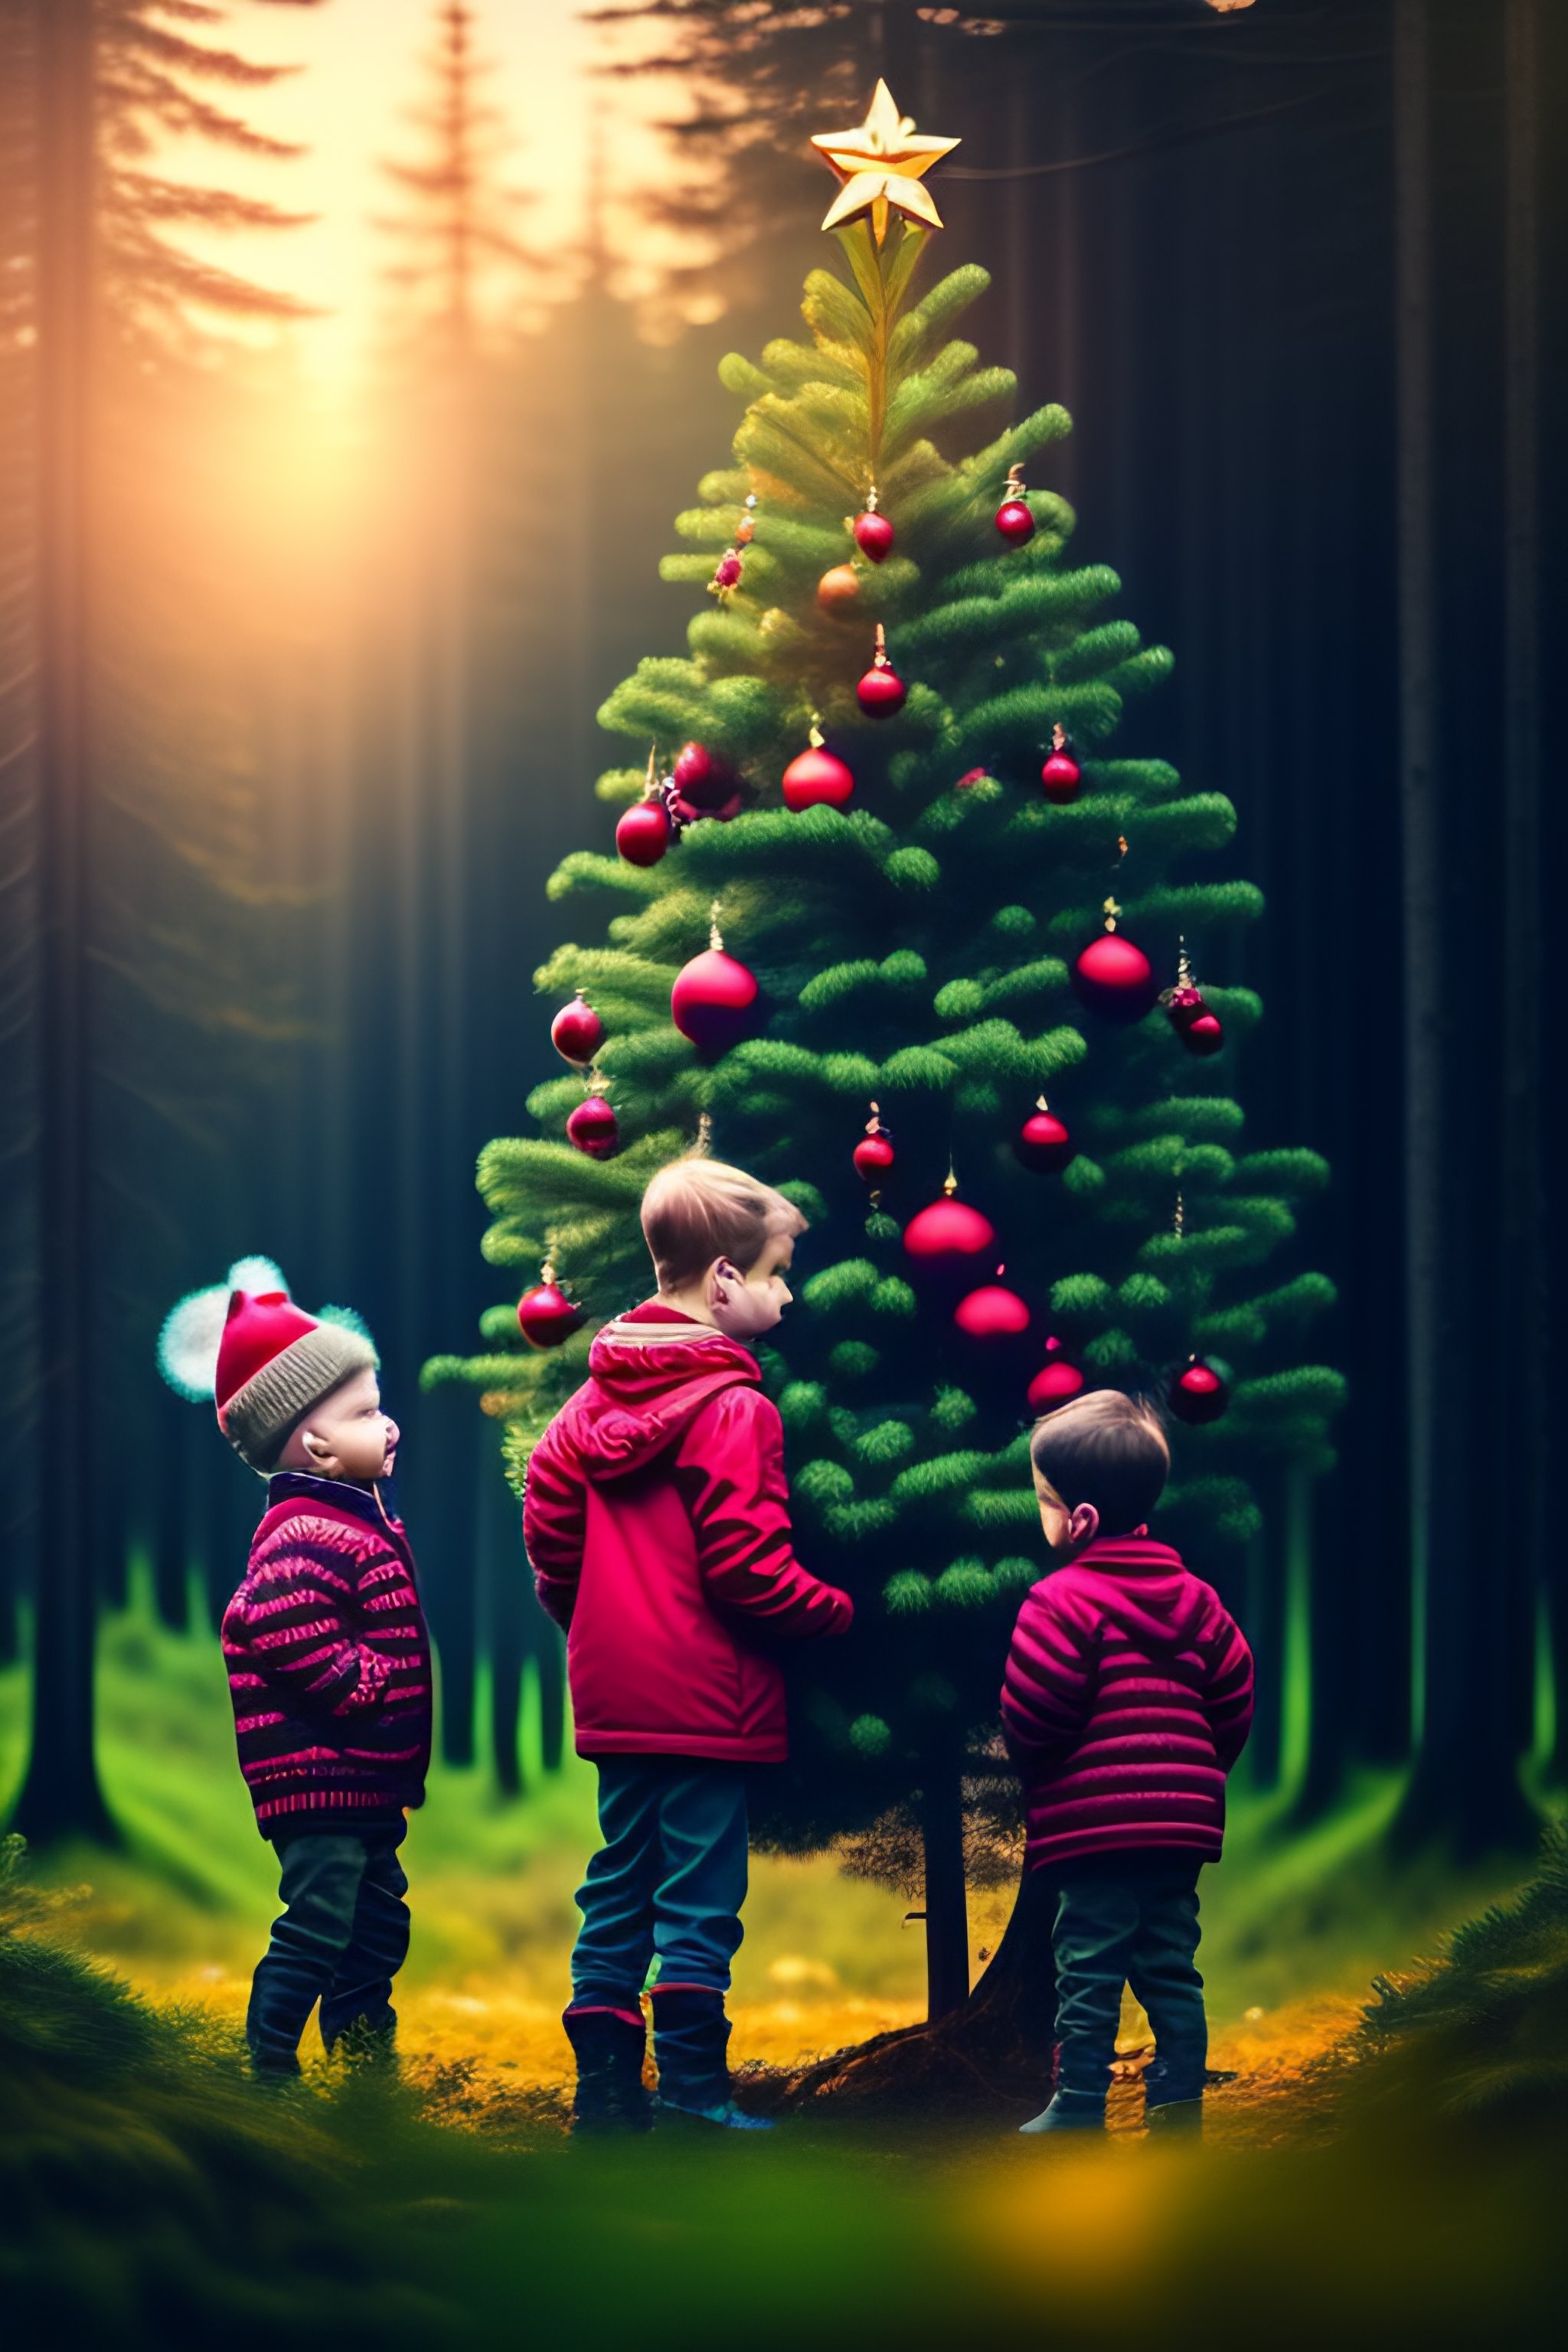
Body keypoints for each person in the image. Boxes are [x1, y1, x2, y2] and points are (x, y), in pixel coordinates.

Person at [524, 1157, 854, 2132]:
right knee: (701, 1898)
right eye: (776, 1273)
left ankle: (605, 2097)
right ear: (721, 1282)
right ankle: (699, 2098)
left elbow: (551, 1545)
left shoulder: (582, 1412)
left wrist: (595, 1627)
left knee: (617, 1881)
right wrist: (832, 1615)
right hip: (711, 1699)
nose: (787, 1293)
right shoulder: (736, 1408)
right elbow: (748, 1566)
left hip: (619, 1694)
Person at [1000, 1388, 1253, 2134]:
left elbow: (1034, 1714)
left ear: (1078, 1520)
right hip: (1179, 1828)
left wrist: (1034, 1764)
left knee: (1087, 1966)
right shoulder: (1198, 1600)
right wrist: (1195, 1777)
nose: (1038, 1511)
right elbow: (1233, 1698)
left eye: (1043, 1499)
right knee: (1171, 1965)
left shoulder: (1059, 1602)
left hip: (1096, 1828)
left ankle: (1077, 2105)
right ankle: (1177, 2111)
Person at [211, 1287, 431, 2080]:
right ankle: (268, 2066)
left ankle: (364, 2074)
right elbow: (268, 1622)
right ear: (318, 1446)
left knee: (374, 1930)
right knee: (320, 1922)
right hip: (318, 1784)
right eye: (369, 1413)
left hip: (360, 1785)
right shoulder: (308, 1532)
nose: (390, 1423)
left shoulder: (351, 1518)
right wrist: (361, 1681)